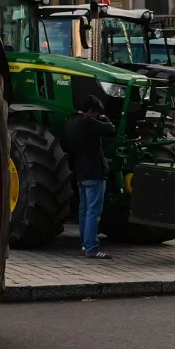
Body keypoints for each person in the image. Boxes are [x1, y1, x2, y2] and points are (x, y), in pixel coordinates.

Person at [64, 94, 113, 259]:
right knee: (94, 211)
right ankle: (92, 247)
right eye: (96, 113)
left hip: (80, 172)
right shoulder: (88, 122)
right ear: (90, 111)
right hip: (94, 172)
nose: (97, 116)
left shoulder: (70, 123)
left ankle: (85, 244)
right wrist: (105, 119)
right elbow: (109, 129)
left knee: (84, 211)